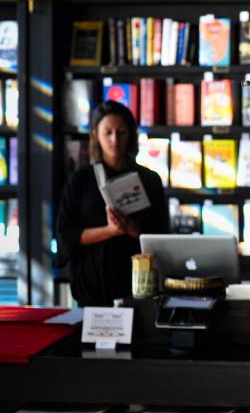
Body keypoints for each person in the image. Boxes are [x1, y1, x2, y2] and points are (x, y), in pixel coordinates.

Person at [55, 101, 169, 306]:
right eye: (107, 132)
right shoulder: (80, 180)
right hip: (90, 289)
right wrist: (110, 231)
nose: (114, 139)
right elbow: (66, 236)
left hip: (137, 289)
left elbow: (162, 236)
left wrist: (133, 229)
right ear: (95, 135)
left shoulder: (150, 180)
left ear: (131, 135)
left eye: (121, 132)